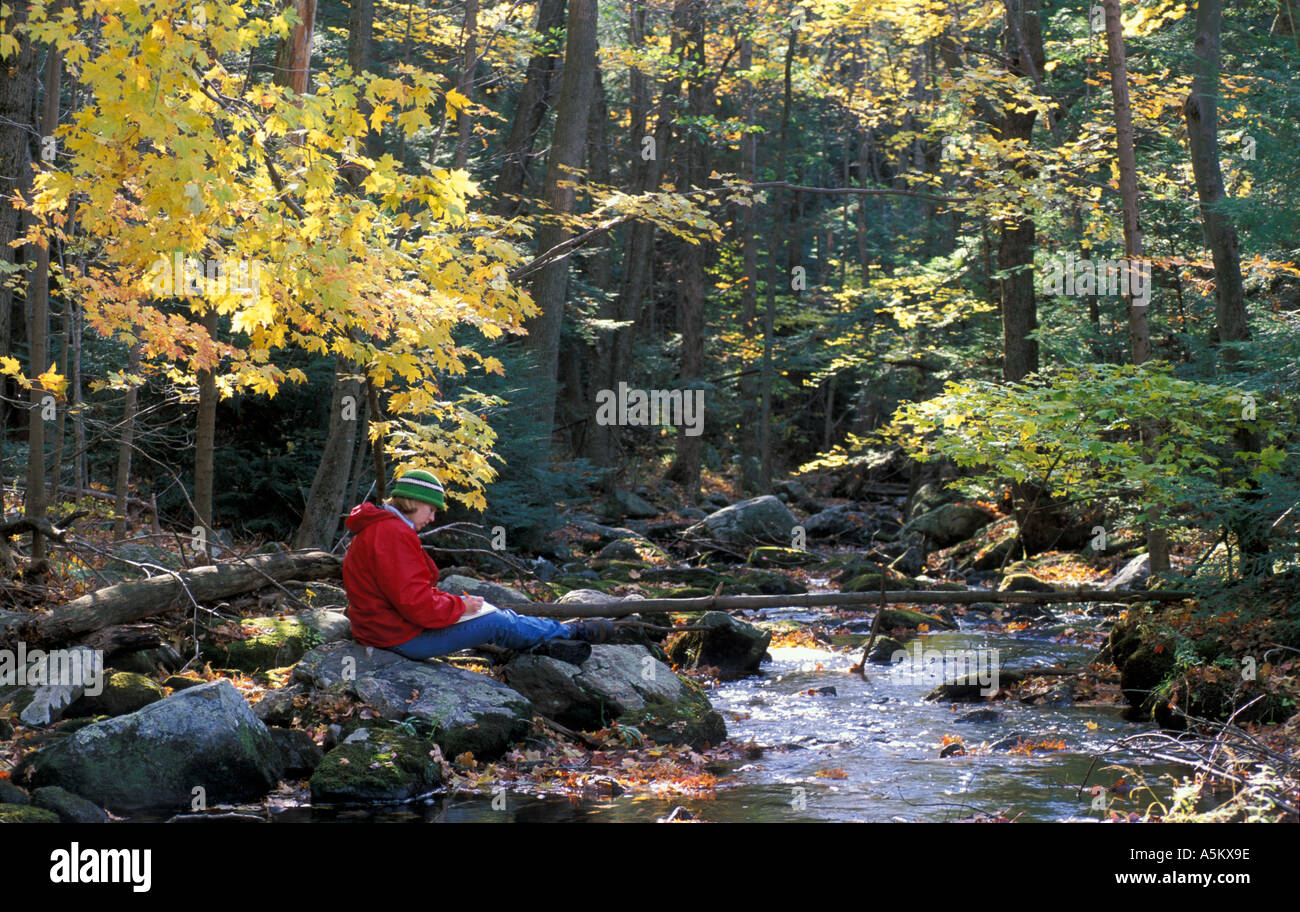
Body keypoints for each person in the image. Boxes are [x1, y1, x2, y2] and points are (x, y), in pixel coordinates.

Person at [341, 469, 613, 663]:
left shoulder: (378, 528)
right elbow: (415, 604)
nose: (433, 518)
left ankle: (548, 645)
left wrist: (455, 603)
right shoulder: (393, 534)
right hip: (398, 638)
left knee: (494, 615)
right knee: (496, 621)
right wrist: (461, 607)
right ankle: (571, 631)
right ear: (414, 502)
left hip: (385, 629)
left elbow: (404, 593)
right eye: (431, 509)